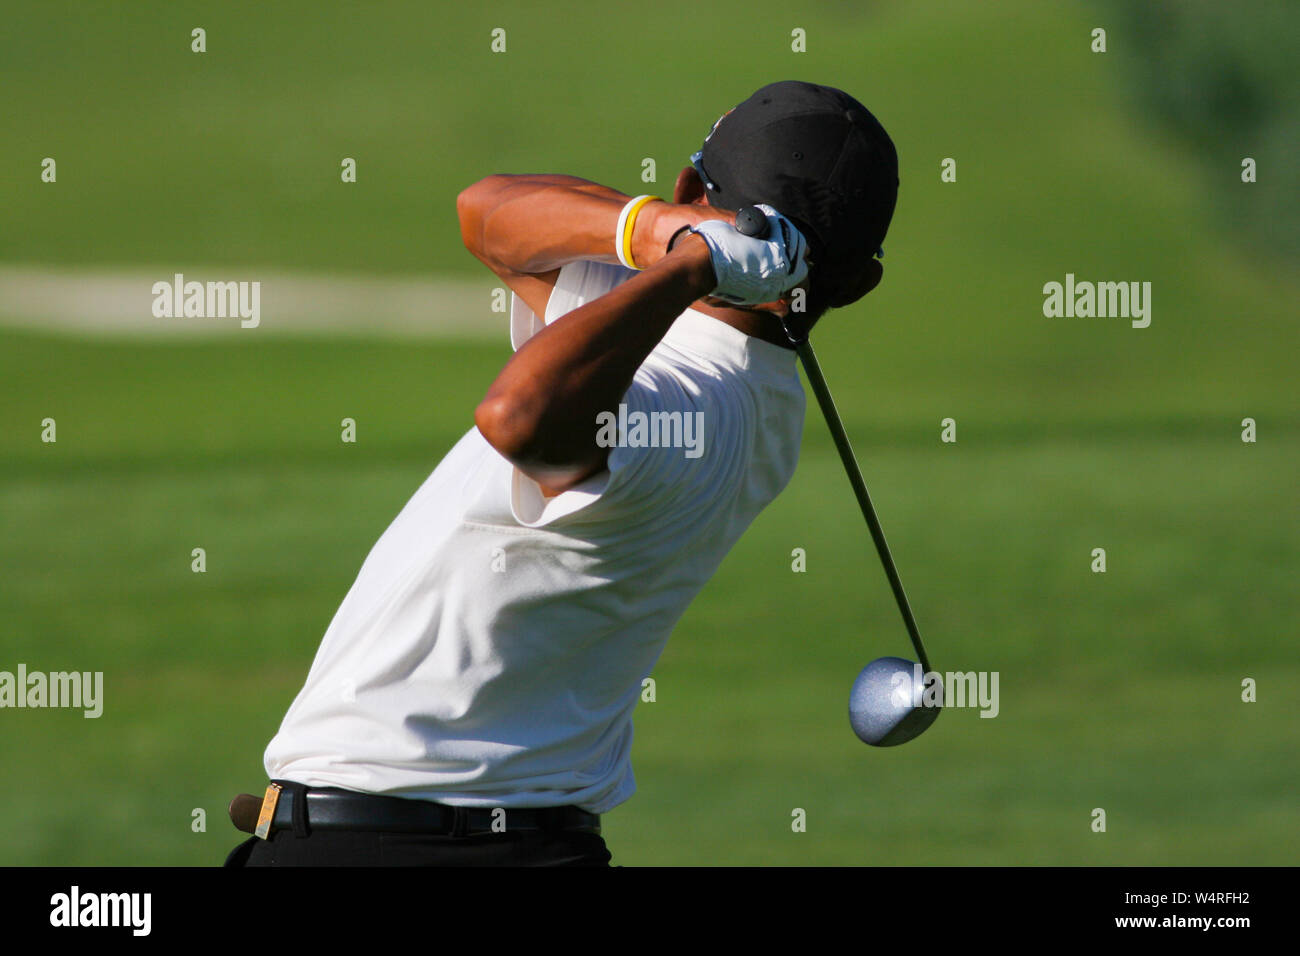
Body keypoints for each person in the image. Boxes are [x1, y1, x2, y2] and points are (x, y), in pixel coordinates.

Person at [224, 80, 898, 867]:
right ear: (857, 285)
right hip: (502, 842)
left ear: (690, 187)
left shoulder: (697, 406)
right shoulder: (723, 374)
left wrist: (687, 268)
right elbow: (487, 214)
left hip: (396, 842)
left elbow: (516, 416)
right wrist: (655, 237)